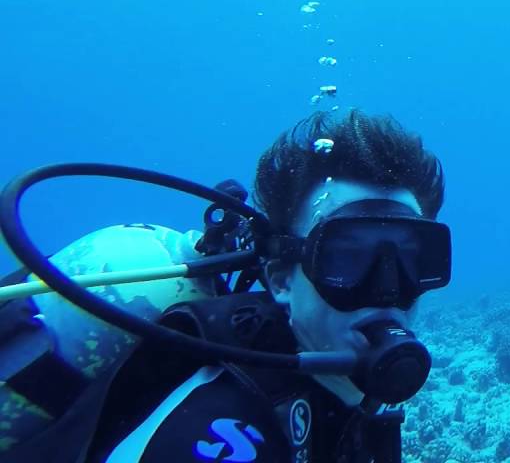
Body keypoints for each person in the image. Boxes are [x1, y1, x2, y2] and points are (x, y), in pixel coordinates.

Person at [0, 109, 449, 463]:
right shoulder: (220, 428)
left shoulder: (347, 390)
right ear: (280, 280)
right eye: (348, 258)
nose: (388, 290)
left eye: (414, 260)